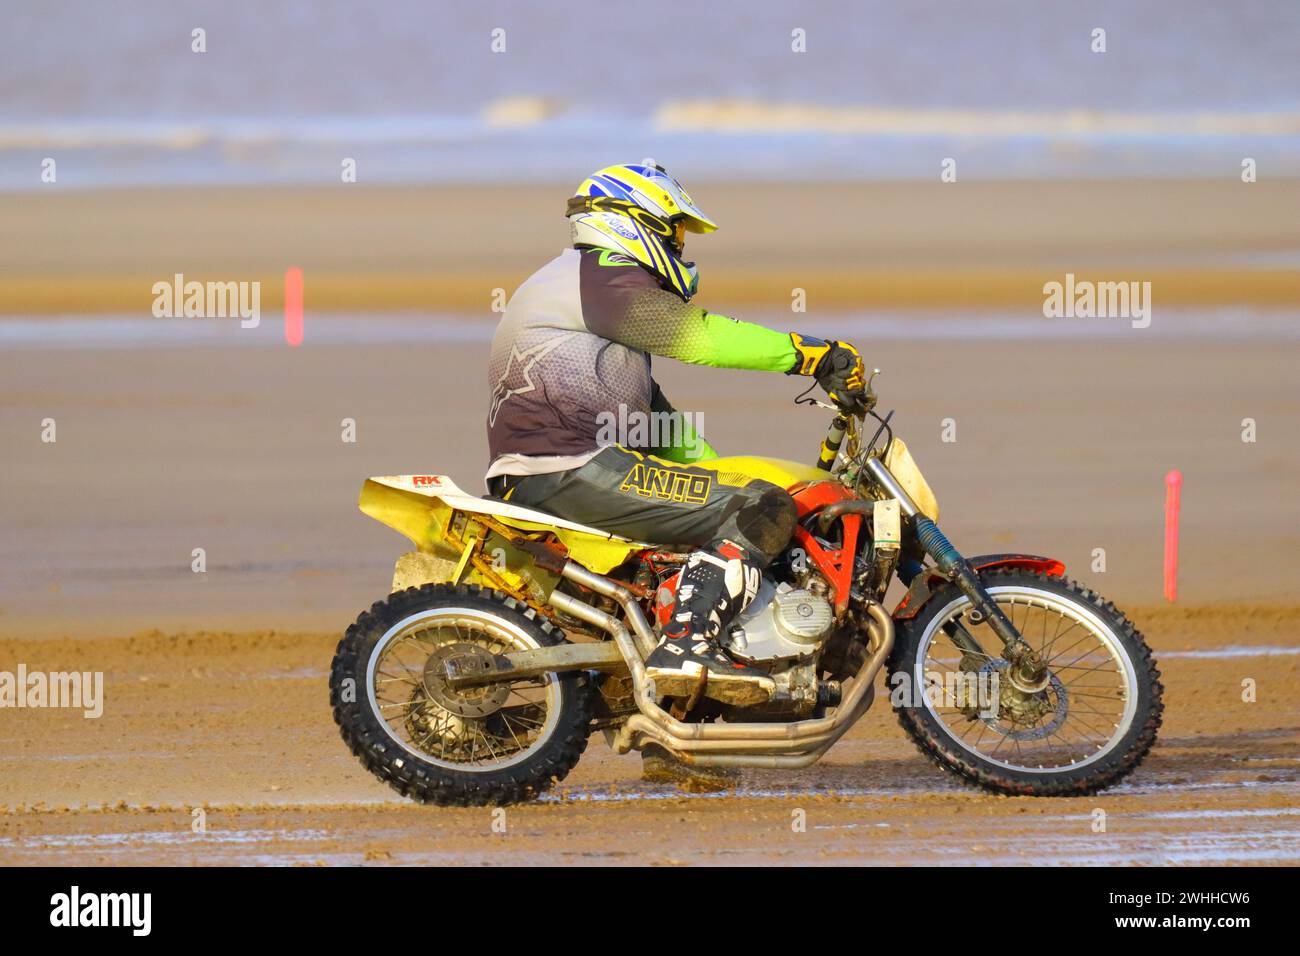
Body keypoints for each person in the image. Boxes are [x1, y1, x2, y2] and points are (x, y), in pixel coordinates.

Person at [485, 163, 867, 707]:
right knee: (763, 509)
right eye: (675, 231)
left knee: (730, 513)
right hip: (567, 467)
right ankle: (685, 651)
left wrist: (726, 475)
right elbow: (697, 336)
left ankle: (678, 733)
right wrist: (807, 353)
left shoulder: (585, 291)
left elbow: (653, 421)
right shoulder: (598, 276)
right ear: (633, 222)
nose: (681, 247)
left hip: (563, 467)